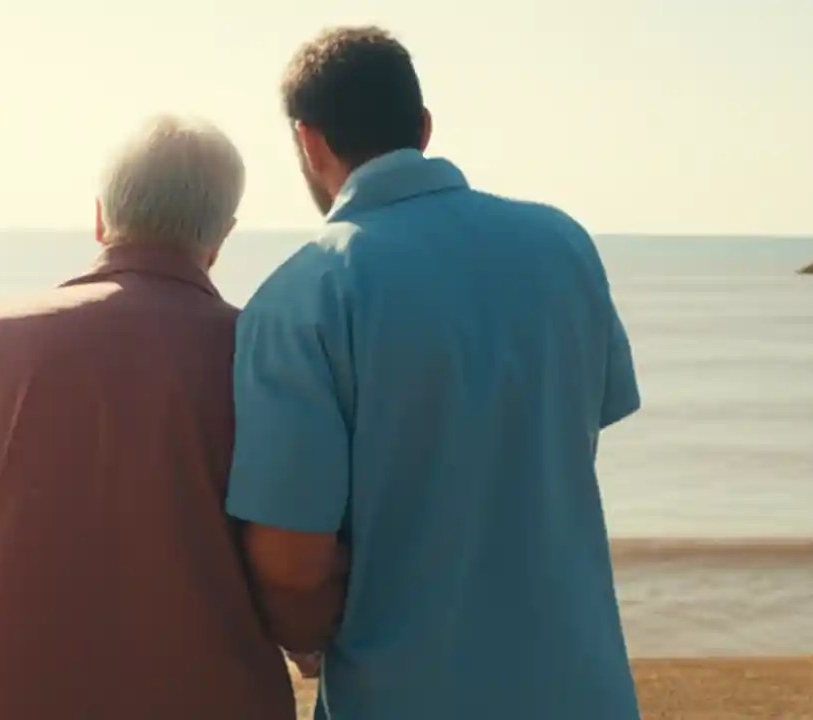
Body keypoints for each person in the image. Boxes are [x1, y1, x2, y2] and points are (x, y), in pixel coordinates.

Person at [227, 27, 643, 719]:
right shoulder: (563, 245)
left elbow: (292, 563)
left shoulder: (302, 295)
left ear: (309, 141)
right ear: (423, 128)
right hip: (583, 691)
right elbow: (569, 435)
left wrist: (306, 638)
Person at [0, 116, 295, 720]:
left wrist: (5, 647)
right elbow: (298, 567)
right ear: (223, 235)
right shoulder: (262, 355)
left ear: (100, 216)